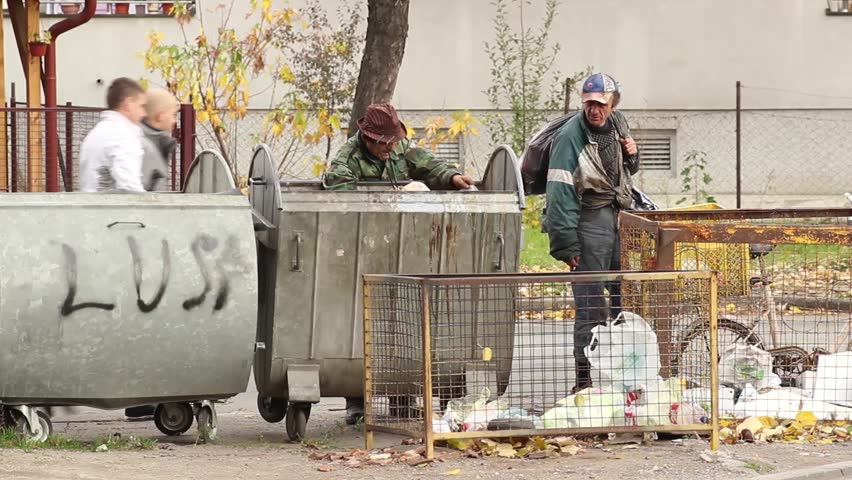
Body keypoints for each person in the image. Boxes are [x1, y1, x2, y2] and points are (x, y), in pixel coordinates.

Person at [544, 72, 640, 393]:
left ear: (613, 103)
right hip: (587, 222)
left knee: (624, 304)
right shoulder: (570, 137)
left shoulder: (618, 124)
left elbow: (627, 170)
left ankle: (628, 381)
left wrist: (633, 154)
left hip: (617, 219)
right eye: (588, 104)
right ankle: (583, 383)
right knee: (590, 307)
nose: (594, 110)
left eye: (600, 104)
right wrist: (566, 243)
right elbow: (559, 193)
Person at [323, 103, 475, 191]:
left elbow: (429, 164)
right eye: (385, 142)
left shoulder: (401, 146)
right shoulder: (345, 162)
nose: (392, 147)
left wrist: (452, 177)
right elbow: (344, 204)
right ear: (368, 138)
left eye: (395, 140)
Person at [79, 77, 147, 192]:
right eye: (142, 106)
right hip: (113, 203)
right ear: (128, 104)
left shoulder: (98, 132)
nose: (144, 113)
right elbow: (130, 187)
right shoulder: (123, 136)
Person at [139, 87, 179, 191]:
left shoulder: (150, 142)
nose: (175, 121)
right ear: (160, 116)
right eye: (173, 114)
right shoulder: (145, 148)